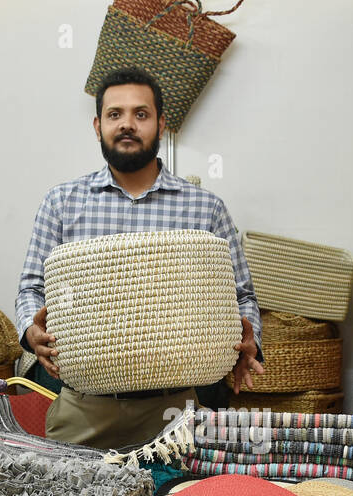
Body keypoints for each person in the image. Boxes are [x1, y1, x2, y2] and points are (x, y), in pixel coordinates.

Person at [15, 67, 264, 450]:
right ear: (97, 125)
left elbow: (241, 297)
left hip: (182, 405)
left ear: (161, 124)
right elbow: (31, 288)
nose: (127, 124)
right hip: (84, 406)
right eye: (115, 114)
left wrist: (249, 337)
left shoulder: (205, 207)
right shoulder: (62, 203)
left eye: (141, 114)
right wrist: (33, 335)